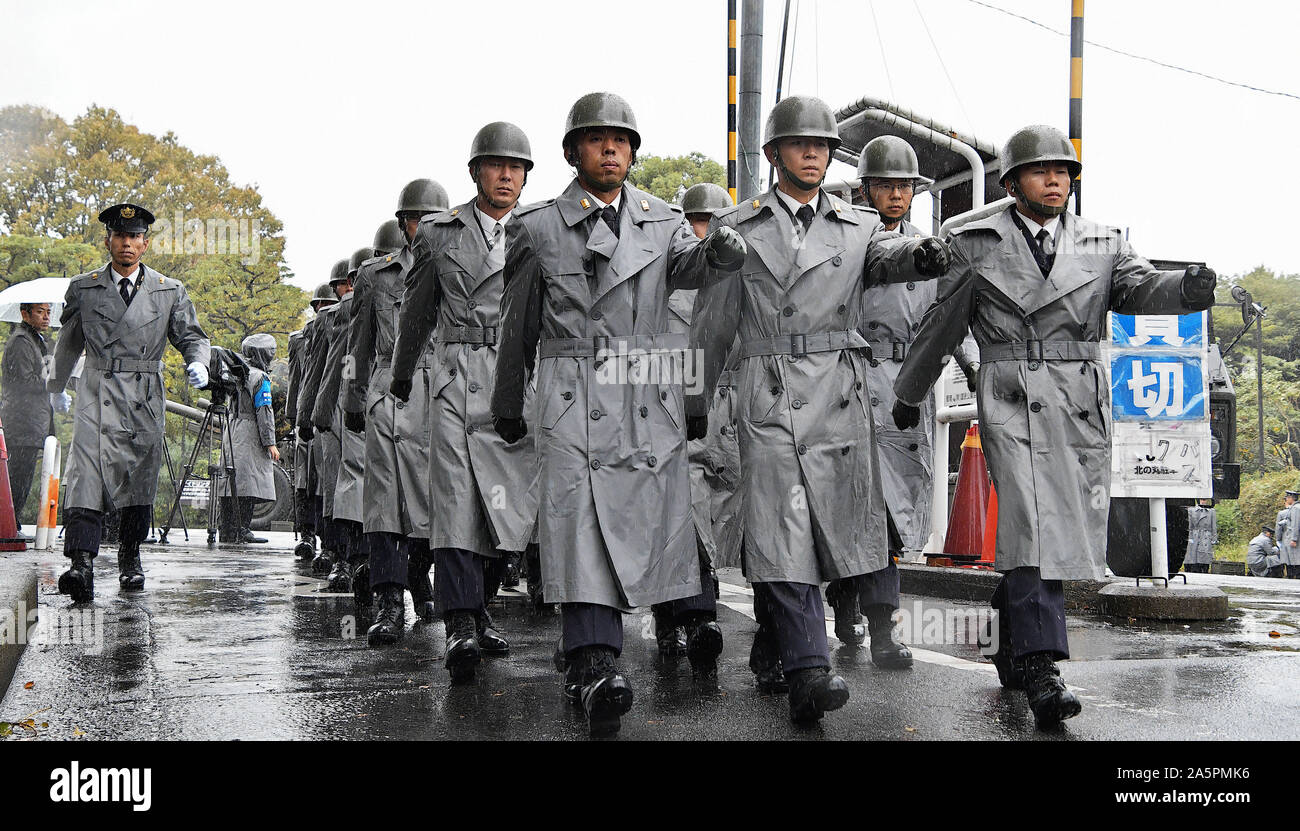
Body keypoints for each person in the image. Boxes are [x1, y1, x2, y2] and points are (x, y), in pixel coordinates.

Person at [891, 124, 1218, 729]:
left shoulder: (1104, 243)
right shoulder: (974, 241)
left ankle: (1012, 632)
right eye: (1041, 171)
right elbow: (942, 324)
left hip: (1077, 398)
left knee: (1058, 531)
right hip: (1010, 393)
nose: (1055, 180)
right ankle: (1044, 669)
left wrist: (1185, 289)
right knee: (1031, 521)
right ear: (1012, 182)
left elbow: (1139, 288)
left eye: (1064, 172)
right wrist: (910, 392)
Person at [687, 96, 950, 723]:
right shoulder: (740, 230)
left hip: (838, 391)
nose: (812, 153)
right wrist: (695, 401)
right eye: (800, 144)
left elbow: (886, 258)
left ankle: (780, 643)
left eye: (822, 145)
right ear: (775, 153)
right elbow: (711, 324)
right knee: (782, 529)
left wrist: (922, 257)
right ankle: (810, 668)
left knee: (836, 525)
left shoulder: (858, 227)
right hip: (767, 389)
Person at [491, 92, 742, 735]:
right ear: (572, 151)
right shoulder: (538, 226)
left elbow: (686, 273)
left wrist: (717, 253)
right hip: (571, 388)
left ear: (634, 152)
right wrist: (507, 401)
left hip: (642, 386)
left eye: (621, 140)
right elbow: (518, 325)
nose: (611, 149)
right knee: (578, 527)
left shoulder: (663, 222)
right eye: (597, 139)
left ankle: (672, 626)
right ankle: (593, 661)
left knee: (646, 520)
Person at [392, 123, 540, 679]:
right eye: (495, 165)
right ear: (475, 171)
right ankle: (458, 623)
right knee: (455, 501)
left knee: (500, 503)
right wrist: (403, 373)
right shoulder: (438, 233)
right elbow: (417, 310)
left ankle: (478, 609)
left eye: (516, 167)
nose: (506, 175)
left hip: (515, 377)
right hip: (455, 374)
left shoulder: (541, 230)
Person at [47, 203, 210, 600]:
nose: (127, 244)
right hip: (96, 390)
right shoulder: (83, 288)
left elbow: (191, 335)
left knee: (139, 480)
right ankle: (80, 564)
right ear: (108, 241)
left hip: (143, 393)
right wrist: (55, 386)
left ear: (146, 244)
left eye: (135, 237)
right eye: (120, 236)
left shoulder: (169, 290)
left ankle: (130, 556)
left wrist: (199, 363)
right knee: (85, 474)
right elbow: (68, 340)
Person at [346, 189, 447, 645]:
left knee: (437, 502)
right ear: (404, 223)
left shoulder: (459, 266)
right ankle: (388, 602)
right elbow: (357, 344)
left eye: (432, 218)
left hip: (440, 391)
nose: (422, 227)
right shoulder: (376, 277)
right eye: (415, 219)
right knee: (384, 502)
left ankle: (419, 576)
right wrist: (352, 396)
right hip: (389, 391)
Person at [648, 181, 732, 679]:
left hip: (720, 409)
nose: (708, 235)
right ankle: (686, 617)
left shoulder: (735, 276)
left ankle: (697, 613)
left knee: (708, 514)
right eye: (700, 224)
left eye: (717, 225)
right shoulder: (661, 276)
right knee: (676, 510)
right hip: (666, 405)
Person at [313, 249, 372, 609]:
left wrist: (314, 412)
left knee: (342, 486)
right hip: (367, 401)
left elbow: (330, 369)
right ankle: (356, 561)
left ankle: (348, 559)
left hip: (344, 403)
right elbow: (337, 365)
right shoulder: (339, 314)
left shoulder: (338, 313)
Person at [296, 260, 351, 584]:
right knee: (332, 488)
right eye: (344, 283)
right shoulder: (327, 322)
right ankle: (337, 554)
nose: (348, 289)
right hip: (332, 412)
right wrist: (305, 416)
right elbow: (314, 374)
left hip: (375, 409)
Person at [286, 284, 338, 562]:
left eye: (325, 304)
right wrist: (294, 417)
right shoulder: (300, 339)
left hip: (330, 413)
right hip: (307, 414)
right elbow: (296, 379)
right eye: (317, 304)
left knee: (324, 480)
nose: (321, 309)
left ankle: (326, 538)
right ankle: (306, 534)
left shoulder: (339, 326)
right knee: (304, 480)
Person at [2, 301, 64, 527]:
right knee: (17, 476)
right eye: (40, 312)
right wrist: (52, 382)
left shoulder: (36, 340)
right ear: (25, 314)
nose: (46, 317)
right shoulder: (21, 342)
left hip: (32, 419)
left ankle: (12, 522)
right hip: (21, 421)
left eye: (48, 312)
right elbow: (23, 381)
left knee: (23, 476)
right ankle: (9, 524)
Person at [216, 334, 280, 544]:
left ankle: (226, 529)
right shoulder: (260, 378)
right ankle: (242, 528)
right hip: (250, 433)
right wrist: (270, 441)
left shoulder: (237, 373)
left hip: (231, 429)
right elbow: (264, 410)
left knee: (229, 481)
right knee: (247, 483)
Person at [1183, 498, 1217, 574]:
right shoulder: (1191, 510)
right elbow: (1189, 526)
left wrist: (1214, 538)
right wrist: (1189, 537)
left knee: (1204, 555)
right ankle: (1191, 568)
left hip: (1206, 535)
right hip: (1194, 535)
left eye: (1205, 500)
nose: (1203, 501)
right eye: (1202, 500)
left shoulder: (1211, 511)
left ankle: (1204, 568)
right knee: (1192, 555)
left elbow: (1214, 526)